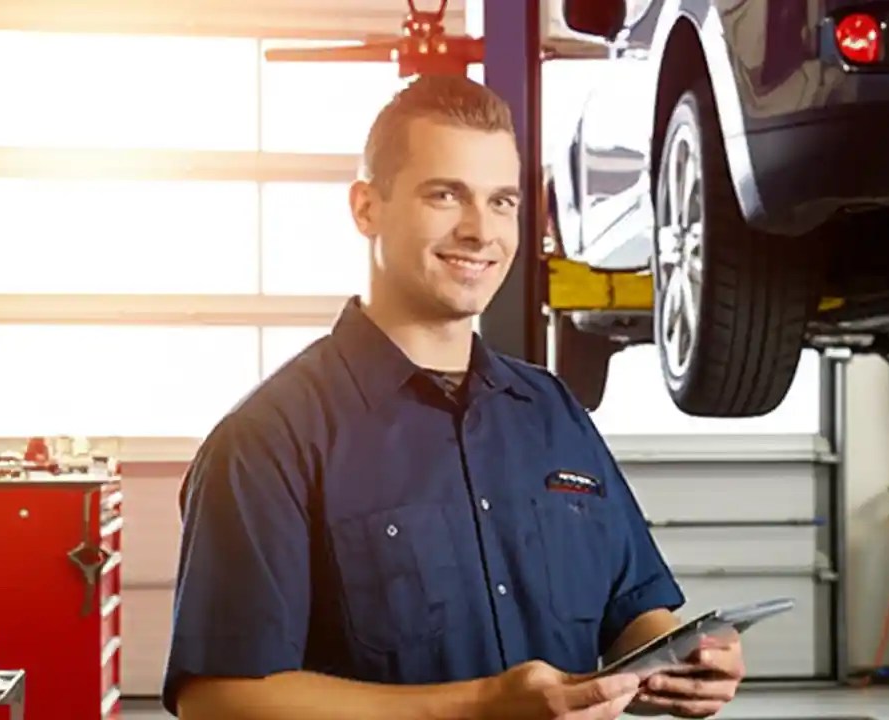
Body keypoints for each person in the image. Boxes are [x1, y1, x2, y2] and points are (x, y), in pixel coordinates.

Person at [162, 74, 746, 720]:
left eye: (502, 202)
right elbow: (217, 699)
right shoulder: (269, 438)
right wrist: (481, 706)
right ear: (366, 208)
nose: (480, 231)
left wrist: (683, 660)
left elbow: (632, 609)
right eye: (446, 195)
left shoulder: (551, 412)